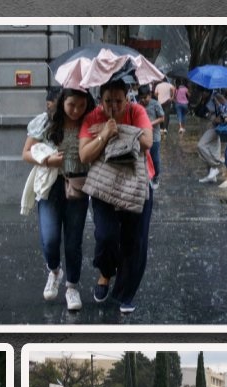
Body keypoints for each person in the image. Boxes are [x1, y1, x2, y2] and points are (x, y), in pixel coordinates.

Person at [78, 70, 155, 315]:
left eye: (119, 100)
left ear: (127, 97)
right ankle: (106, 272)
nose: (113, 105)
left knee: (135, 240)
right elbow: (84, 155)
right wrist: (104, 134)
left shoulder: (137, 111)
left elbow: (147, 142)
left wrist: (118, 129)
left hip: (136, 183)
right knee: (106, 235)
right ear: (100, 99)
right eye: (108, 100)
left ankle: (125, 293)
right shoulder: (92, 117)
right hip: (104, 185)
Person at [23, 88, 96, 311]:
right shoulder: (46, 122)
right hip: (51, 186)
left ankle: (72, 287)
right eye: (72, 104)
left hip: (78, 185)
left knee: (73, 242)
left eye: (82, 106)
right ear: (63, 101)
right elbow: (26, 152)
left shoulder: (90, 123)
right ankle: (54, 271)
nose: (76, 110)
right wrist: (47, 160)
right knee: (50, 239)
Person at [196, 90, 227, 184]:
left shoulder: (216, 95)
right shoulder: (206, 97)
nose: (202, 93)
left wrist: (219, 115)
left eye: (204, 91)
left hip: (215, 126)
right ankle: (211, 176)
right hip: (207, 124)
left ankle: (215, 166)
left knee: (201, 146)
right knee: (212, 150)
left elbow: (226, 109)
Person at [137, 85, 165, 189]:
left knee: (155, 158)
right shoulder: (138, 105)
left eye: (145, 97)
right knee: (144, 158)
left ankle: (156, 176)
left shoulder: (155, 104)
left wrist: (150, 123)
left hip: (154, 137)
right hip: (142, 137)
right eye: (141, 98)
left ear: (150, 95)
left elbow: (162, 118)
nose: (143, 100)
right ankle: (147, 176)